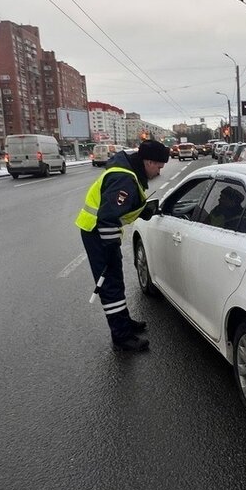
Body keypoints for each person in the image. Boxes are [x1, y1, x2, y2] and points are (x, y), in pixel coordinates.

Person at [75, 139, 170, 352]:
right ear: (147, 161)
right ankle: (121, 336)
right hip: (97, 233)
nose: (160, 171)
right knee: (110, 284)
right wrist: (110, 250)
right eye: (159, 166)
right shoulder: (124, 178)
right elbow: (108, 217)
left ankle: (124, 322)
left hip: (100, 233)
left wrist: (145, 210)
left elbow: (123, 207)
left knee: (115, 280)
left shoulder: (129, 173)